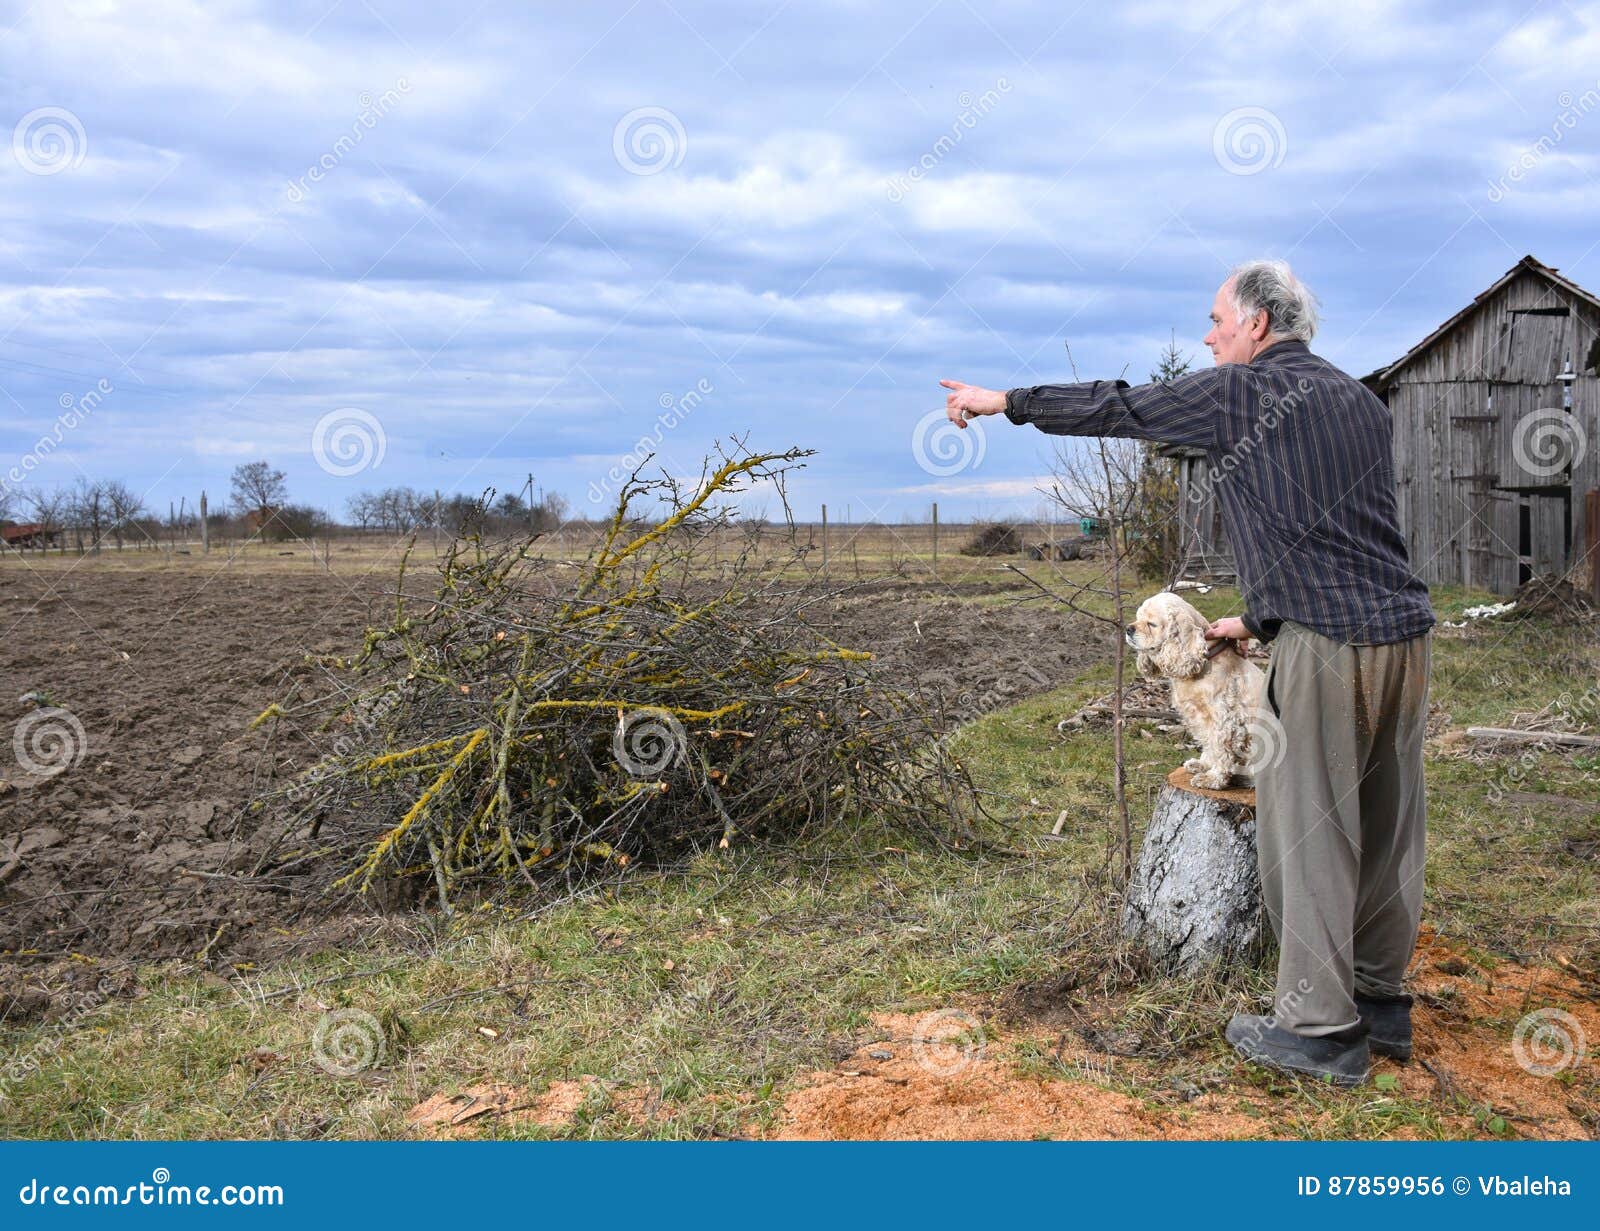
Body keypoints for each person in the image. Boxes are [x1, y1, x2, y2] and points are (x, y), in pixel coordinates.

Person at [941, 259, 1434, 1086]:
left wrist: (1007, 403)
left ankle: (1320, 1029)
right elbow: (1344, 528)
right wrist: (1262, 615)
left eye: (1215, 320)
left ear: (1258, 324)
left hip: (1333, 644)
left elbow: (1126, 405)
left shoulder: (1243, 391)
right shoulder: (1356, 397)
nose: (1207, 337)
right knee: (1388, 827)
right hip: (1407, 638)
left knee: (1308, 828)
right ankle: (1381, 1003)